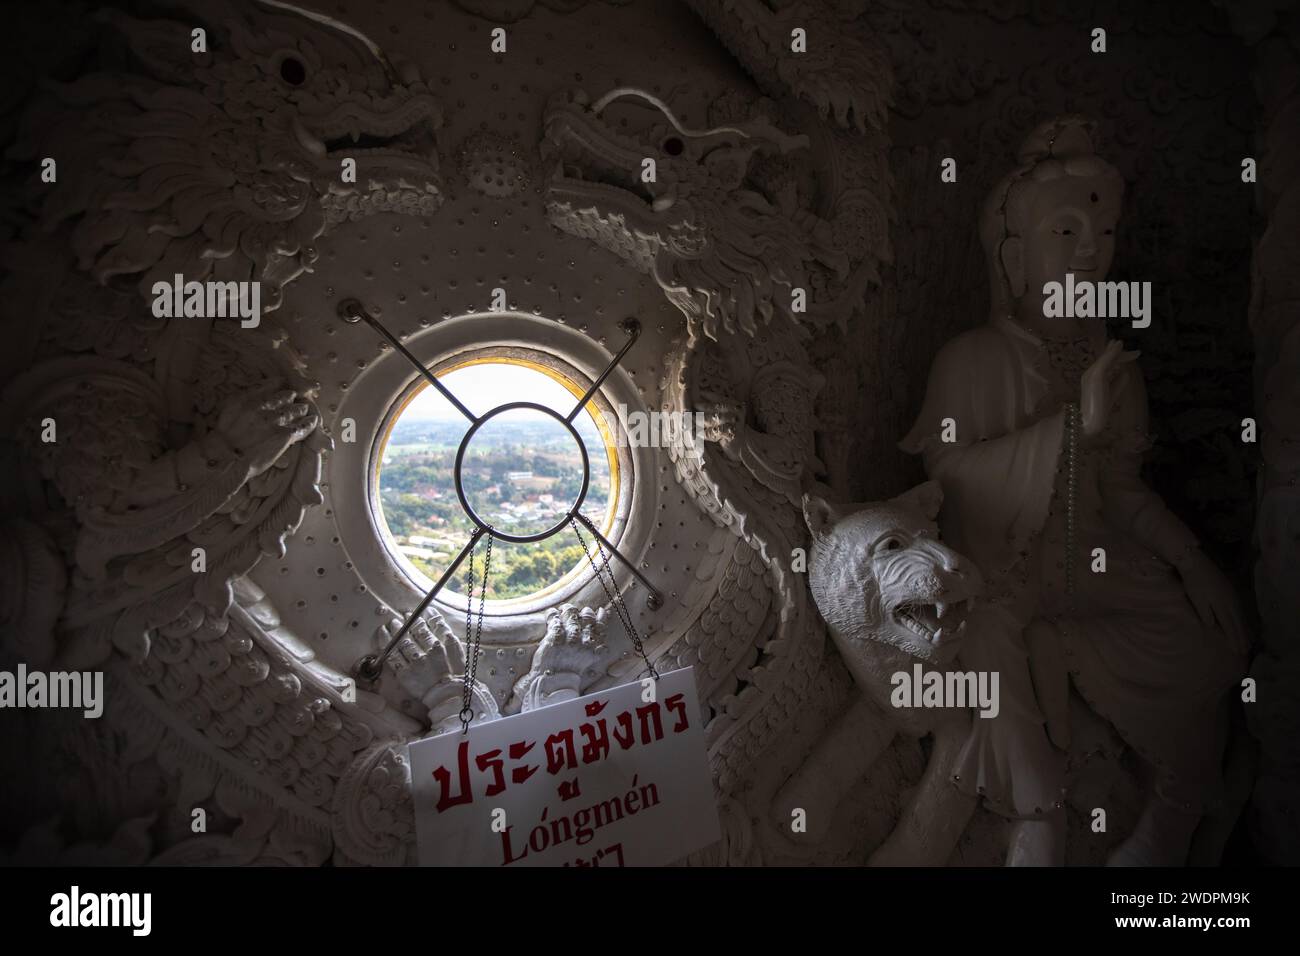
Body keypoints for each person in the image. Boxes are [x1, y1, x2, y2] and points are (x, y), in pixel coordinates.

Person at [899, 115, 1248, 865]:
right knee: (984, 632)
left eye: (1106, 233)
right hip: (1004, 567)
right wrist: (1067, 429)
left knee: (1209, 645)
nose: (1093, 250)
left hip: (1095, 559)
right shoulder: (972, 358)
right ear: (1014, 255)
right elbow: (948, 478)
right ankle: (1037, 818)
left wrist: (1191, 561)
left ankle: (1171, 815)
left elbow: (1122, 490)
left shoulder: (1114, 365)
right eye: (1067, 232)